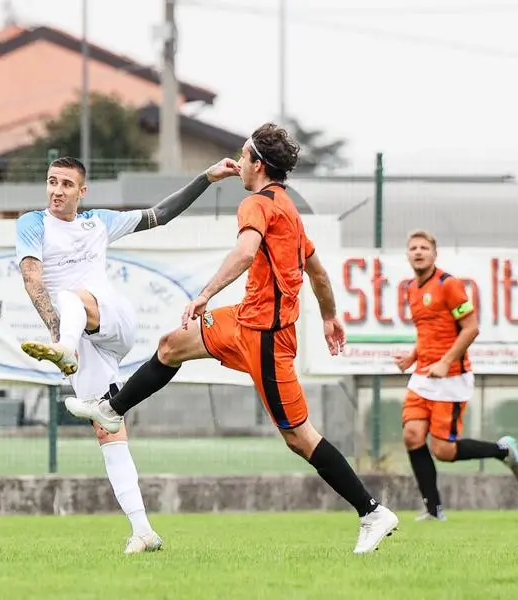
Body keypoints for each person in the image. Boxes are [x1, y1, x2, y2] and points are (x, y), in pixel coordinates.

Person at [65, 122, 400, 554]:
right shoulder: (288, 209)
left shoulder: (258, 205)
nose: (239, 163)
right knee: (171, 345)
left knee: (299, 438)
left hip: (265, 338)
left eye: (243, 156)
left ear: (258, 165)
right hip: (244, 320)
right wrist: (331, 316)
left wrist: (204, 294)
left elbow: (245, 252)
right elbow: (315, 270)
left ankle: (372, 512)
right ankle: (112, 409)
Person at [16, 155, 240, 554]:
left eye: (67, 184)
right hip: (80, 338)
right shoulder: (33, 224)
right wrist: (58, 329)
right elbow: (31, 277)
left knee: (71, 296)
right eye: (52, 181)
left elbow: (161, 214)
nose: (57, 190)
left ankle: (63, 352)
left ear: (81, 191)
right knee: (108, 427)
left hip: (113, 320)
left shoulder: (98, 222)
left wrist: (207, 177)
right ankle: (143, 531)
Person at [395, 230, 518, 522]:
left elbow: (471, 328)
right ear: (408, 255)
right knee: (412, 435)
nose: (418, 252)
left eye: (424, 247)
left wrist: (445, 361)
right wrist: (412, 357)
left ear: (434, 254)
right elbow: (430, 332)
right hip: (423, 375)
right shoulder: (411, 289)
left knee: (443, 450)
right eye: (413, 248)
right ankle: (433, 509)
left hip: (451, 377)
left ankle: (502, 450)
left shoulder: (448, 284)